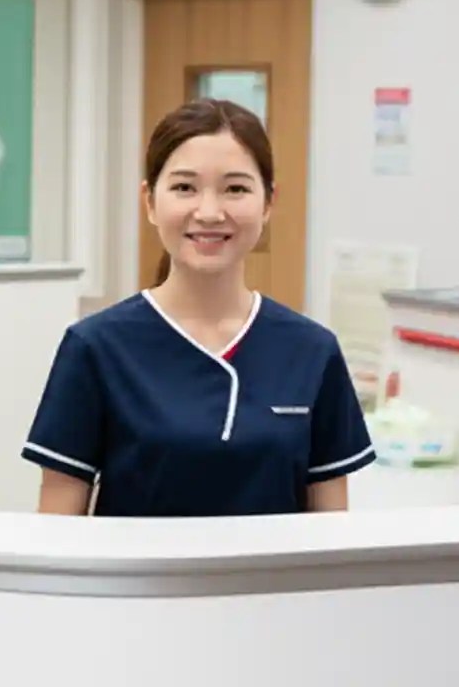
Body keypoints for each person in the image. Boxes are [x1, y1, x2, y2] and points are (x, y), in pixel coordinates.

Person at [21, 98, 374, 517]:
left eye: (236, 188)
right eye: (184, 187)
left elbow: (331, 540)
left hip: (274, 585)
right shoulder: (95, 348)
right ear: (150, 201)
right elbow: (57, 538)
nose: (209, 212)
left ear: (268, 202)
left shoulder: (312, 351)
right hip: (139, 584)